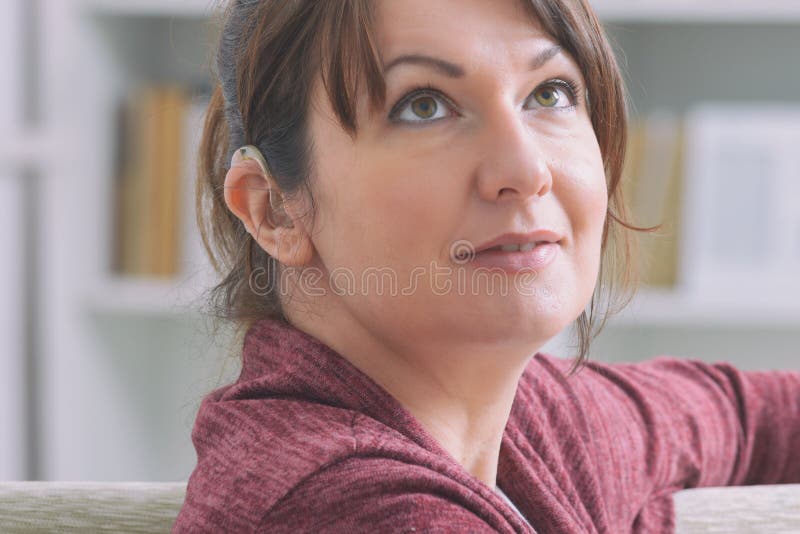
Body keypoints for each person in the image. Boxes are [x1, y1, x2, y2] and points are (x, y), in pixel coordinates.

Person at [172, 0, 800, 532]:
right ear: (274, 210)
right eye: (424, 105)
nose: (526, 172)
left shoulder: (536, 424)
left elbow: (761, 416)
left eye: (549, 93)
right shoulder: (353, 507)